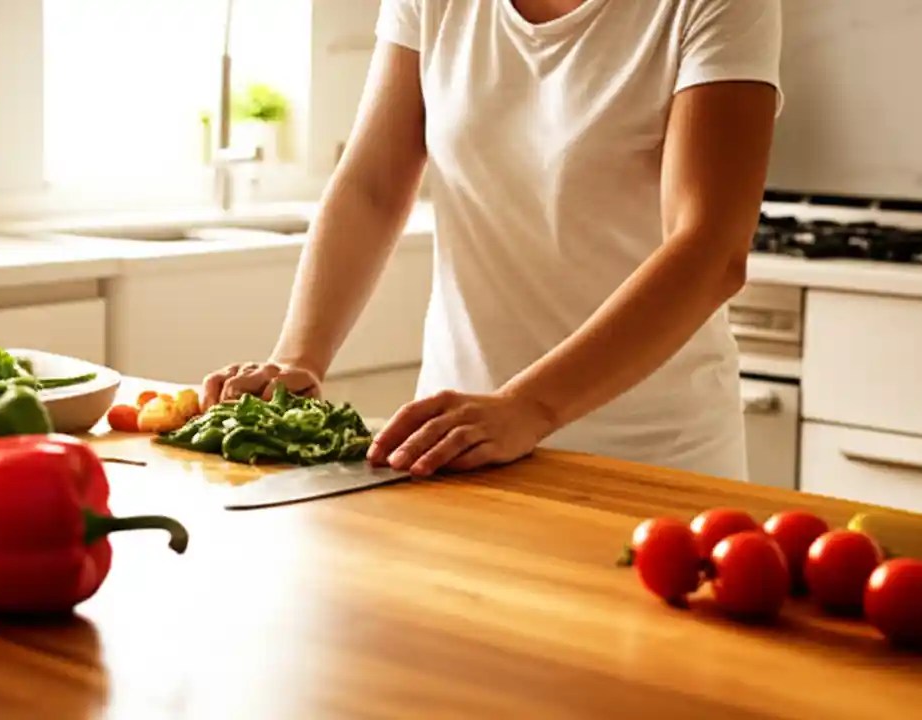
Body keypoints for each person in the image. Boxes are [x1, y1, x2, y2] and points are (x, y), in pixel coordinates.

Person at [203, 0, 782, 480]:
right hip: (456, 446)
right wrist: (298, 359)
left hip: (650, 456)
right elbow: (371, 187)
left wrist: (527, 407)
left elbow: (708, 249)